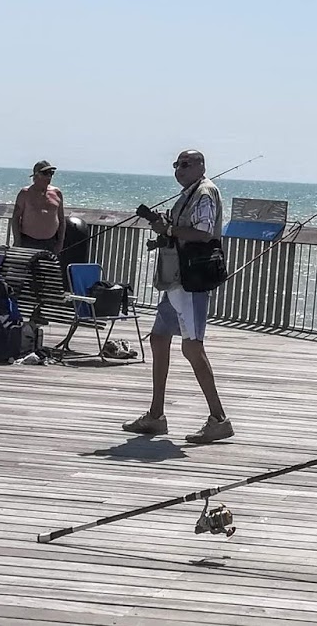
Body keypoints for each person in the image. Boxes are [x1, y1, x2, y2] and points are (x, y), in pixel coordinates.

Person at [122, 149, 234, 444]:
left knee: (192, 347)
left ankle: (219, 419)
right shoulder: (188, 193)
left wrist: (170, 228)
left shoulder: (205, 192)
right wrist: (166, 230)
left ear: (200, 166)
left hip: (191, 279)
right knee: (159, 339)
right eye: (176, 165)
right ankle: (156, 416)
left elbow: (204, 232)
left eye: (185, 164)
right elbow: (182, 231)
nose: (179, 169)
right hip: (175, 280)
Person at [11, 160, 65, 253]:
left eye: (51, 173)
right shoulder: (25, 193)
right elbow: (16, 218)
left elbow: (61, 220)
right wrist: (17, 240)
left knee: (48, 267)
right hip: (28, 241)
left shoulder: (57, 193)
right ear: (36, 175)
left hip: (50, 242)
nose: (49, 176)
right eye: (45, 173)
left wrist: (60, 243)